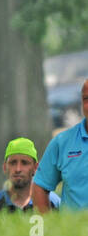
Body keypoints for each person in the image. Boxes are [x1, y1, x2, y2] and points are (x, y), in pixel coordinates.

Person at [33, 79, 88, 212]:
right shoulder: (62, 142)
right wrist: (47, 226)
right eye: (86, 98)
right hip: (73, 231)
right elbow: (40, 186)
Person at [0, 137, 60, 213]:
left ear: (35, 168)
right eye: (13, 163)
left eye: (24, 163)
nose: (18, 169)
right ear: (5, 167)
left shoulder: (53, 203)